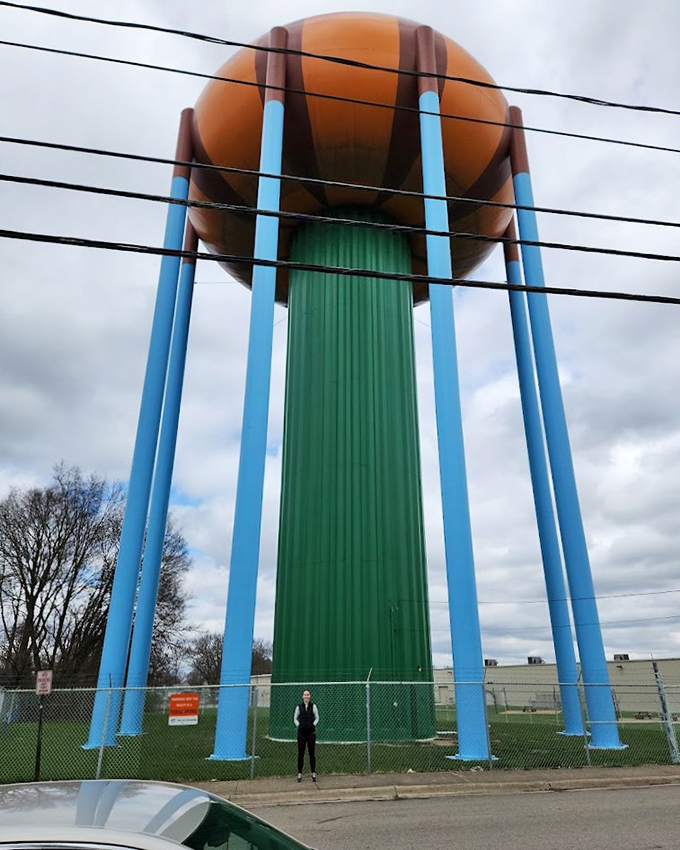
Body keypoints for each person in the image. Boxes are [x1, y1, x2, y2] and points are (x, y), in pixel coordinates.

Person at [294, 689, 319, 782]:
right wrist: (299, 725)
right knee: (301, 753)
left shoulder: (313, 706)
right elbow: (295, 718)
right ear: (302, 696)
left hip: (311, 733)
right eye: (305, 695)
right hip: (301, 733)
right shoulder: (299, 707)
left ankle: (313, 773)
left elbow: (317, 717)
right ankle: (300, 773)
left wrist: (313, 724)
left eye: (308, 695)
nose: (306, 696)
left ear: (310, 696)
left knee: (312, 753)